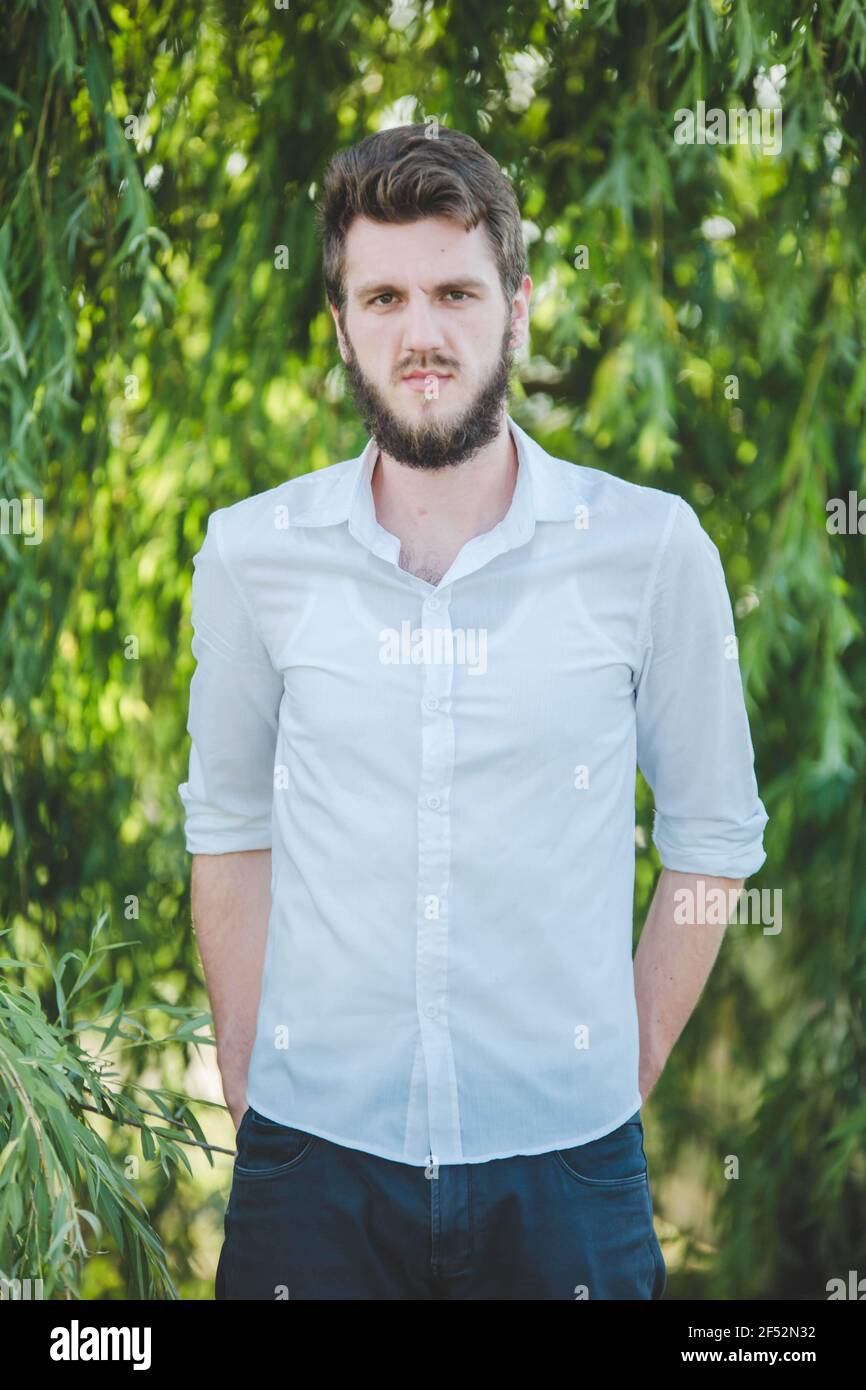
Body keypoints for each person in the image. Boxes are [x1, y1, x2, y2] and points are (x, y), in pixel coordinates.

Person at [178, 123, 768, 1300]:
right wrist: (250, 1082)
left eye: (454, 290)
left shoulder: (649, 549)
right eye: (383, 295)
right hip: (313, 1174)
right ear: (342, 322)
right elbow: (231, 827)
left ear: (517, 304)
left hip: (569, 1179)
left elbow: (712, 837)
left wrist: (628, 1062)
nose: (422, 333)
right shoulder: (252, 555)